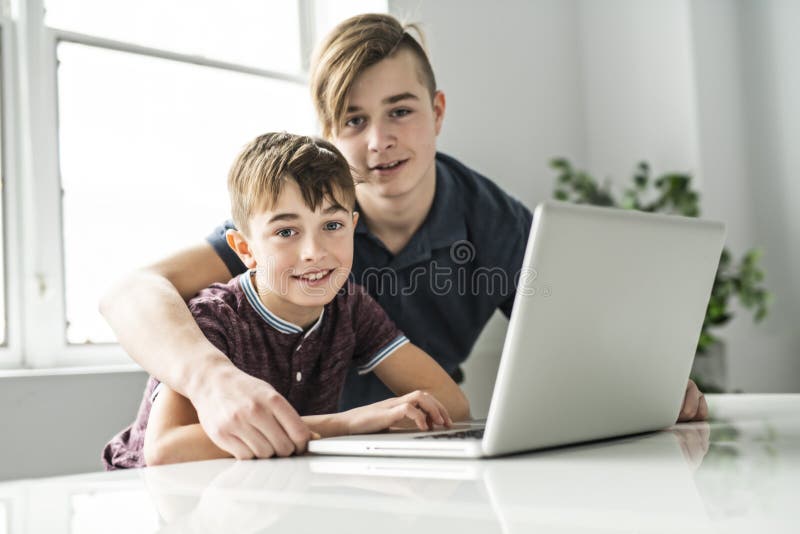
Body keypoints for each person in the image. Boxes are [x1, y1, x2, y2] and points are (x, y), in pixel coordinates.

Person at [100, 13, 708, 461]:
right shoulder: (294, 225)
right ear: (326, 134)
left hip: (411, 453)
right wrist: (212, 379)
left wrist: (641, 380)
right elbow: (130, 293)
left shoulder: (491, 219)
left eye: (401, 110)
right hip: (276, 461)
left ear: (438, 111)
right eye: (353, 121)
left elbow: (573, 335)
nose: (377, 141)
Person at [102, 132, 469, 469]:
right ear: (245, 249)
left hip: (261, 491)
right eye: (286, 231)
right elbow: (167, 450)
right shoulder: (213, 317)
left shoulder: (349, 306)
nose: (314, 252)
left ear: (353, 227)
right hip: (154, 497)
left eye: (332, 226)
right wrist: (349, 423)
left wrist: (398, 416)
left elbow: (451, 403)